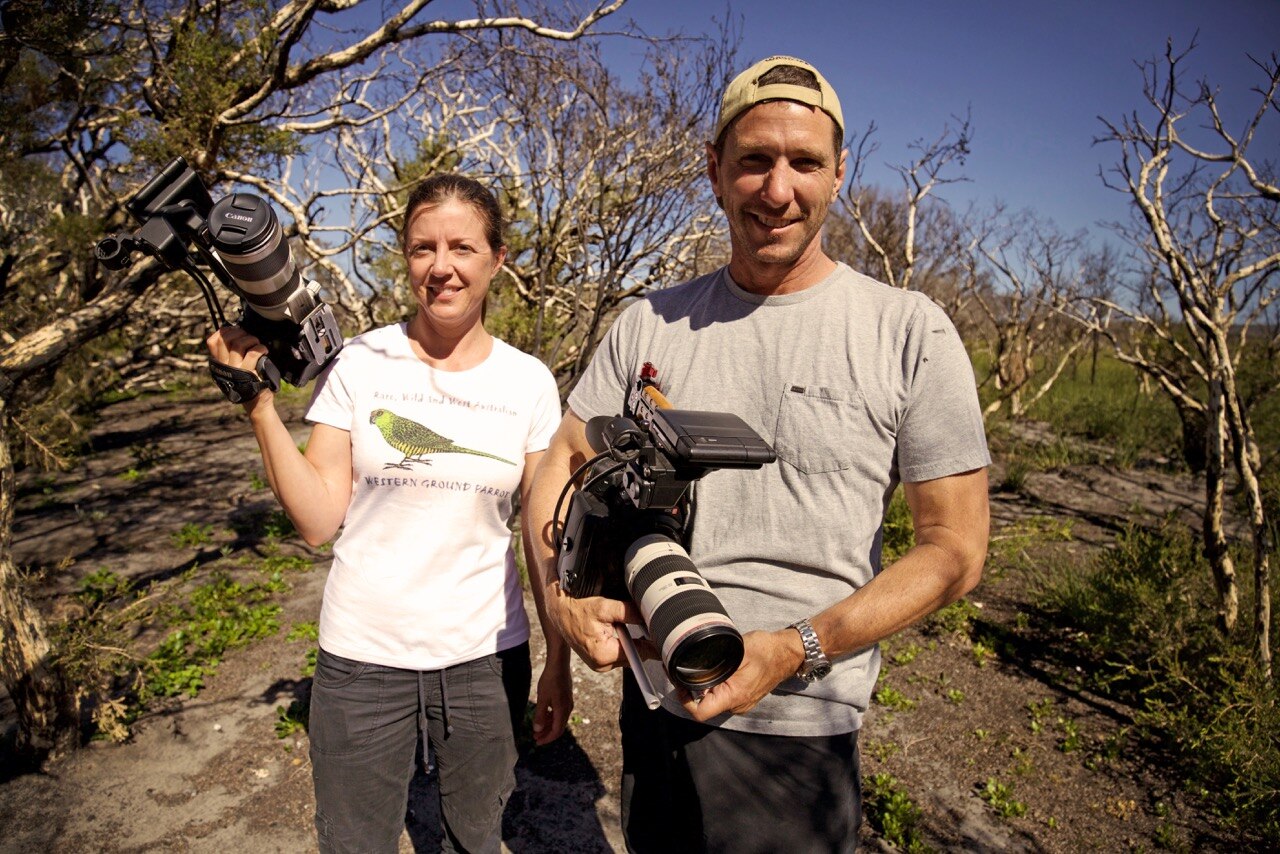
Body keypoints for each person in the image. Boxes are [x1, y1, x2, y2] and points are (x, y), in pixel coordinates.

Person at [527, 56, 990, 853]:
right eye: (754, 161)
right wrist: (563, 610)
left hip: (799, 733)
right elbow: (558, 465)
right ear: (714, 170)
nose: (779, 190)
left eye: (805, 162)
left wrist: (795, 649)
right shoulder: (650, 323)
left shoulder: (908, 331)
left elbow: (955, 550)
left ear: (840, 174)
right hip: (653, 706)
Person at [206, 173, 572, 853]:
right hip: (362, 657)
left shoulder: (528, 382)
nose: (441, 267)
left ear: (497, 259)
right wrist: (258, 407)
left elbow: (541, 532)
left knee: (477, 836)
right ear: (405, 258)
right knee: (354, 842)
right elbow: (318, 520)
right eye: (421, 248)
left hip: (485, 659)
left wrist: (557, 659)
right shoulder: (359, 362)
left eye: (462, 247)